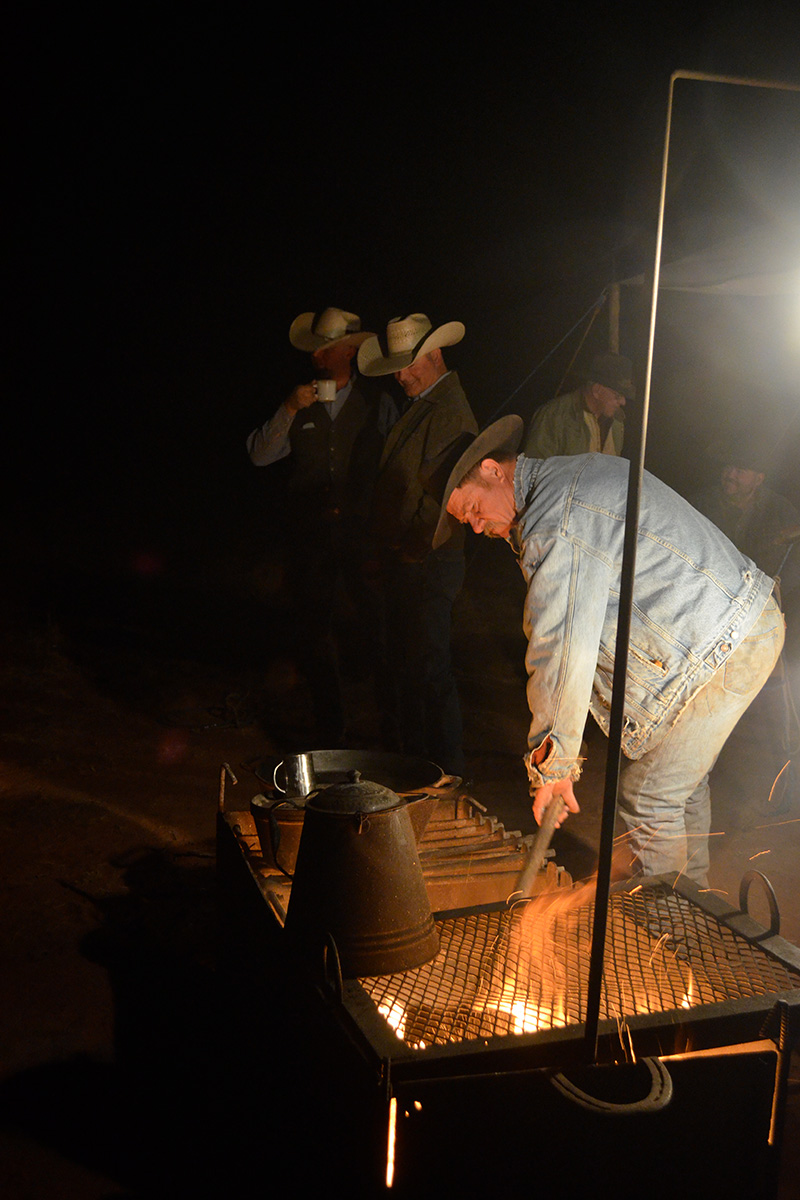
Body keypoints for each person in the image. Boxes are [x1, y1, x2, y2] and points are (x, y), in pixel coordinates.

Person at [431, 416, 784, 885]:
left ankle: (669, 926)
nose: (476, 528)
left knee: (648, 795)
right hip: (736, 626)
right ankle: (696, 906)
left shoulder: (556, 519)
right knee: (677, 782)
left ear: (495, 470)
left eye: (473, 508)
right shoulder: (569, 478)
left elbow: (562, 645)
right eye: (466, 521)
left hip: (722, 641)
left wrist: (553, 766)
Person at [246, 307, 398, 747]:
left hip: (361, 533)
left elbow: (394, 465)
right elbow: (260, 454)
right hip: (311, 534)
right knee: (316, 632)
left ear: (349, 351)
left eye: (326, 348)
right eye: (315, 351)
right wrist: (290, 407)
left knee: (377, 628)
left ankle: (391, 725)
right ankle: (331, 728)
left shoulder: (377, 405)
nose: (318, 358)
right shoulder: (298, 401)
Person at [357, 313, 478, 776]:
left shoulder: (446, 408)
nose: (401, 376)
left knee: (428, 667)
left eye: (409, 366)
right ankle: (420, 763)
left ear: (435, 355)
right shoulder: (429, 402)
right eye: (397, 368)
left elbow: (444, 494)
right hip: (414, 557)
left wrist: (412, 547)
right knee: (415, 664)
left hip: (428, 559)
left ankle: (444, 771)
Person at [522, 352, 634, 459]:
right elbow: (535, 469)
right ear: (597, 390)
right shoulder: (555, 415)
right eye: (618, 395)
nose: (623, 402)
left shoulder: (617, 421)